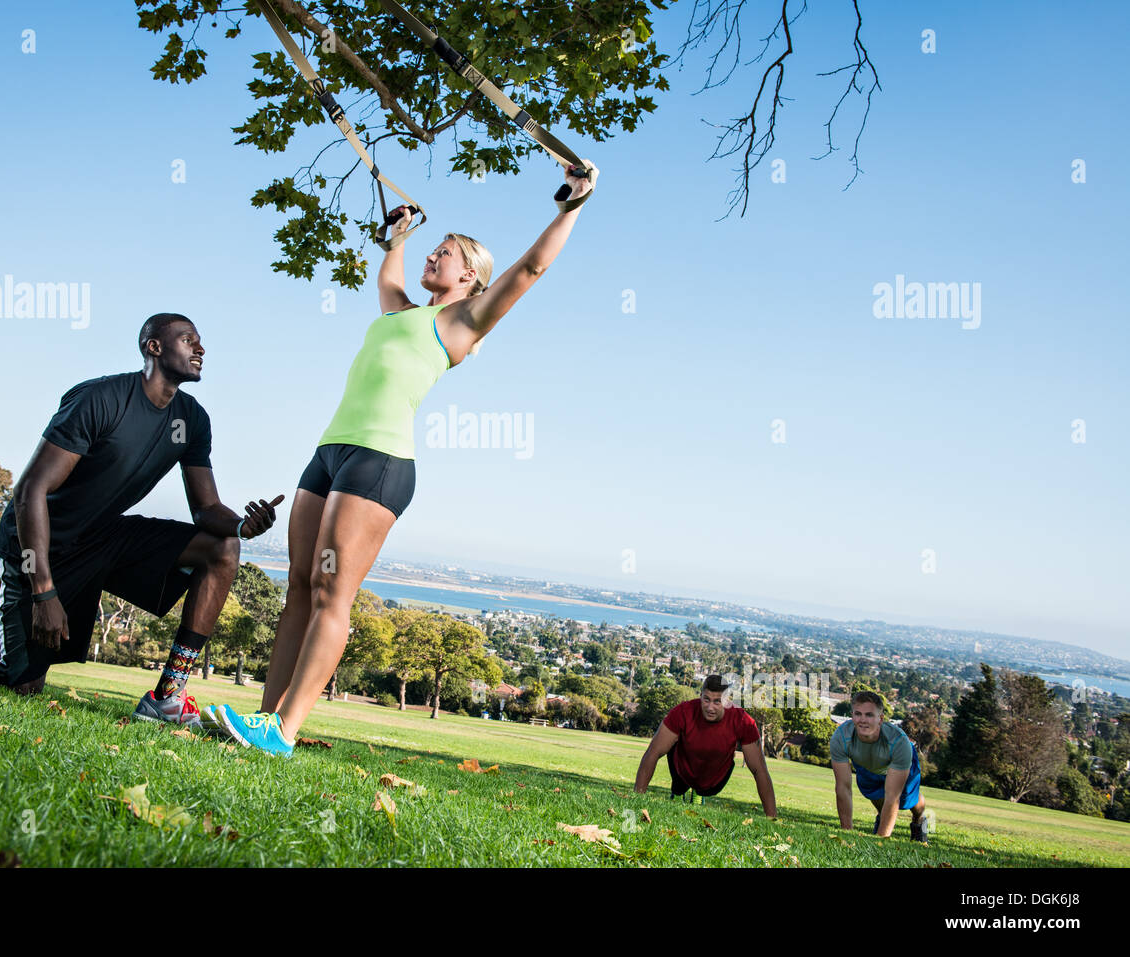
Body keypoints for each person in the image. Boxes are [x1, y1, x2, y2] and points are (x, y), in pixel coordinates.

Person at [208, 162, 599, 755]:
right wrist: (402, 235)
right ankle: (265, 720)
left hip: (379, 462)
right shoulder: (400, 313)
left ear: (470, 273)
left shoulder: (463, 321)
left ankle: (286, 730)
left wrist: (571, 205)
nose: (430, 259)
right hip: (329, 453)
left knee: (329, 592)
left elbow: (532, 269)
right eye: (431, 251)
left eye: (443, 253)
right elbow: (389, 270)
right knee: (297, 587)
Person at [0, 314, 283, 728]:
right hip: (37, 547)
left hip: (101, 539)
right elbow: (31, 491)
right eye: (188, 340)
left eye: (201, 341)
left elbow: (206, 511)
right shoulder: (99, 399)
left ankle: (168, 696)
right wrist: (44, 592)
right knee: (19, 684)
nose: (200, 349)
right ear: (153, 347)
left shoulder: (191, 420)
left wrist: (242, 526)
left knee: (222, 548)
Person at [633, 674, 778, 816]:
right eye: (706, 699)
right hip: (682, 772)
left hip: (715, 780)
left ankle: (698, 793)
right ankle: (678, 792)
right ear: (700, 695)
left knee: (704, 789)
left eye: (717, 701)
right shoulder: (683, 712)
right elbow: (653, 752)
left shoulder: (742, 721)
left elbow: (759, 770)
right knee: (669, 748)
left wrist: (771, 817)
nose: (710, 707)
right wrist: (637, 798)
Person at [830, 690, 932, 841]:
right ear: (852, 715)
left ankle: (919, 820)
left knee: (907, 800)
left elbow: (893, 797)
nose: (862, 720)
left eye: (869, 715)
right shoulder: (841, 737)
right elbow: (843, 787)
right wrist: (847, 833)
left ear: (880, 718)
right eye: (858, 714)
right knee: (875, 793)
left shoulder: (898, 742)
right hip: (868, 765)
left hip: (900, 763)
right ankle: (882, 817)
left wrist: (880, 841)